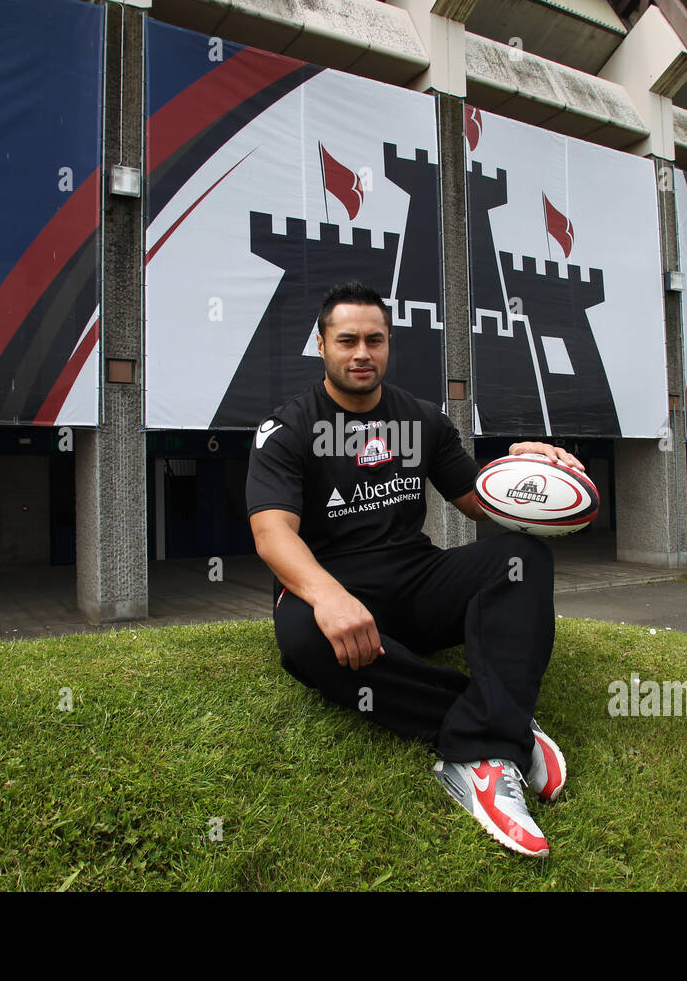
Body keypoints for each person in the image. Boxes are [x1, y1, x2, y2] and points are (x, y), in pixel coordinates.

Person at [244, 281, 587, 857]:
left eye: (374, 340)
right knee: (303, 640)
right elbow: (271, 531)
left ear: (388, 345)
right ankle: (501, 729)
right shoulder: (289, 427)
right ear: (322, 344)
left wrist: (527, 469)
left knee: (522, 558)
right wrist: (327, 598)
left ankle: (484, 738)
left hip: (414, 577)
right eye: (347, 340)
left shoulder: (423, 418)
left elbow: (478, 501)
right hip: (332, 581)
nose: (361, 353)